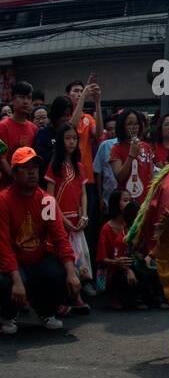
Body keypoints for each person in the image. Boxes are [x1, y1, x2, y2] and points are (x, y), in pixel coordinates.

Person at [0, 147, 81, 334]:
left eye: (35, 167)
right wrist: (18, 283)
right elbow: (3, 246)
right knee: (5, 282)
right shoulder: (4, 201)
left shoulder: (46, 201)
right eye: (25, 167)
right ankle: (8, 314)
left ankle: (46, 311)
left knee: (64, 272)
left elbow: (60, 239)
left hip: (37, 261)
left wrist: (71, 273)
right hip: (14, 265)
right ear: (14, 172)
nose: (32, 172)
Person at [44, 123, 94, 310]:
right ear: (60, 141)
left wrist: (85, 215)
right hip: (59, 222)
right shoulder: (54, 166)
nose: (71, 142)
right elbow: (49, 198)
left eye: (74, 138)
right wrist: (62, 221)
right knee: (63, 261)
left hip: (76, 220)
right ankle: (63, 301)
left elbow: (83, 194)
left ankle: (77, 298)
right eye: (67, 138)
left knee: (78, 259)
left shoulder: (79, 166)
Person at [96, 192, 165, 310]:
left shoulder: (139, 229)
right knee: (129, 273)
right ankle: (127, 298)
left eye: (130, 200)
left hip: (138, 264)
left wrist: (148, 258)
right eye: (125, 200)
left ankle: (154, 298)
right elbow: (102, 259)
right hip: (118, 269)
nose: (129, 203)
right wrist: (119, 264)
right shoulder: (114, 232)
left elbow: (153, 247)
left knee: (153, 269)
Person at [109, 109, 156, 205]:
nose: (134, 127)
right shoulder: (116, 148)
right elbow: (119, 177)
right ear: (122, 126)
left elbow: (150, 174)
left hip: (145, 199)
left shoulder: (146, 146)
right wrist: (131, 155)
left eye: (136, 124)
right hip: (127, 201)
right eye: (129, 124)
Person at [0, 81, 38, 188]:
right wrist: (15, 180)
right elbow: (2, 159)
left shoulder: (34, 128)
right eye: (21, 97)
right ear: (12, 99)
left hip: (29, 187)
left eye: (29, 98)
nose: (25, 101)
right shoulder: (2, 127)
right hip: (8, 187)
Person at [93, 118, 118, 217]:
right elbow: (98, 173)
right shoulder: (104, 145)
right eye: (109, 129)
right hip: (108, 195)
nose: (113, 131)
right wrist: (100, 198)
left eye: (115, 128)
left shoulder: (128, 144)